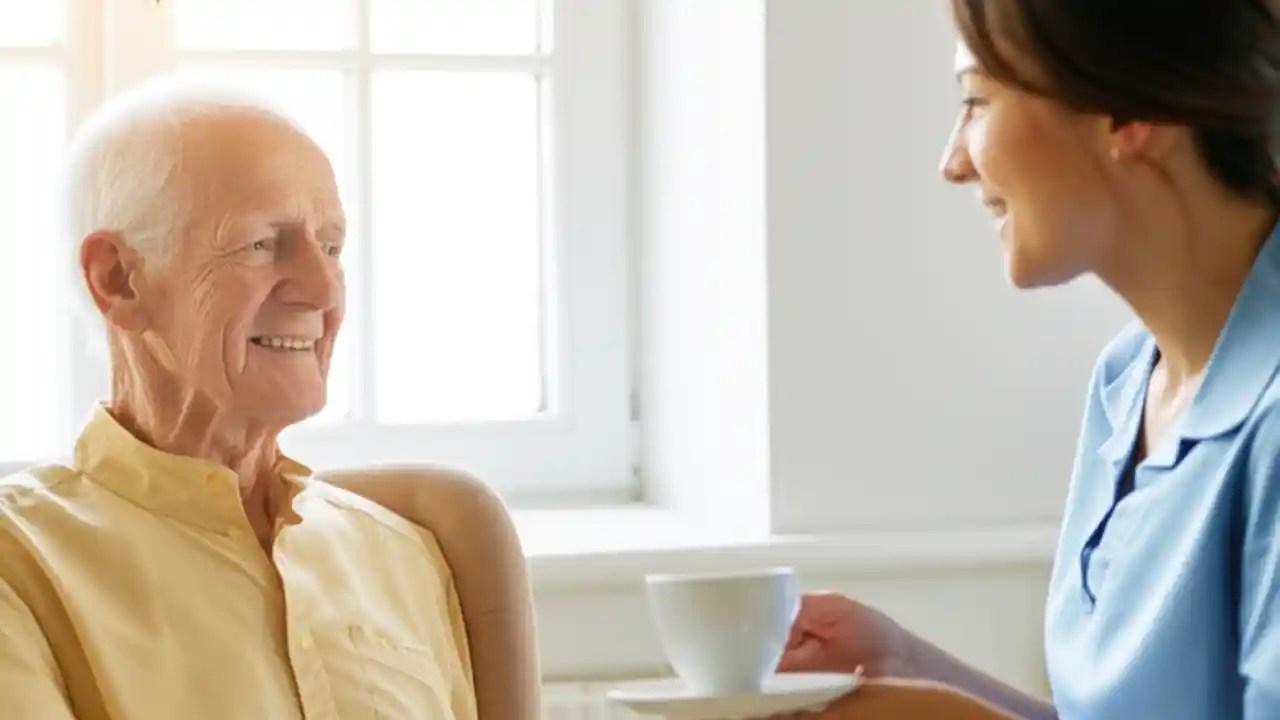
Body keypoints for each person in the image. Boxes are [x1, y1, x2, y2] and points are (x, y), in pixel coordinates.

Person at [777, 0, 1280, 718]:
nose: (953, 161)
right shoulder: (1125, 383)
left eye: (977, 101)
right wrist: (906, 666)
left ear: (1128, 110)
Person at [0, 80, 538, 719]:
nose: (322, 287)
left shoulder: (405, 554)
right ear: (118, 280)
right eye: (260, 243)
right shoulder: (22, 565)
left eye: (331, 247)